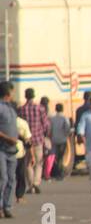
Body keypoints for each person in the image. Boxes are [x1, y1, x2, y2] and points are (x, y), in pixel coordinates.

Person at [18, 88, 49, 195]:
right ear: (33, 96)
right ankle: (36, 182)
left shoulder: (20, 109)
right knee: (39, 163)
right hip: (38, 140)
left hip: (26, 141)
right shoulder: (40, 108)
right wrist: (44, 135)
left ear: (25, 96)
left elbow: (19, 125)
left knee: (28, 164)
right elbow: (45, 125)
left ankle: (31, 185)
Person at [0, 83, 19, 217]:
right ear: (8, 93)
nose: (14, 94)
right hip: (1, 148)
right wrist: (8, 138)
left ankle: (7, 206)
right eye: (12, 92)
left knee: (11, 179)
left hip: (12, 150)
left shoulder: (12, 108)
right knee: (3, 178)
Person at [48, 102, 70, 180]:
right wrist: (66, 135)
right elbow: (67, 128)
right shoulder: (64, 118)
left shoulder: (52, 119)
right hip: (62, 140)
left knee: (55, 157)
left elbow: (50, 129)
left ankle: (55, 173)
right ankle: (60, 174)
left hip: (54, 140)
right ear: (62, 109)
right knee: (60, 157)